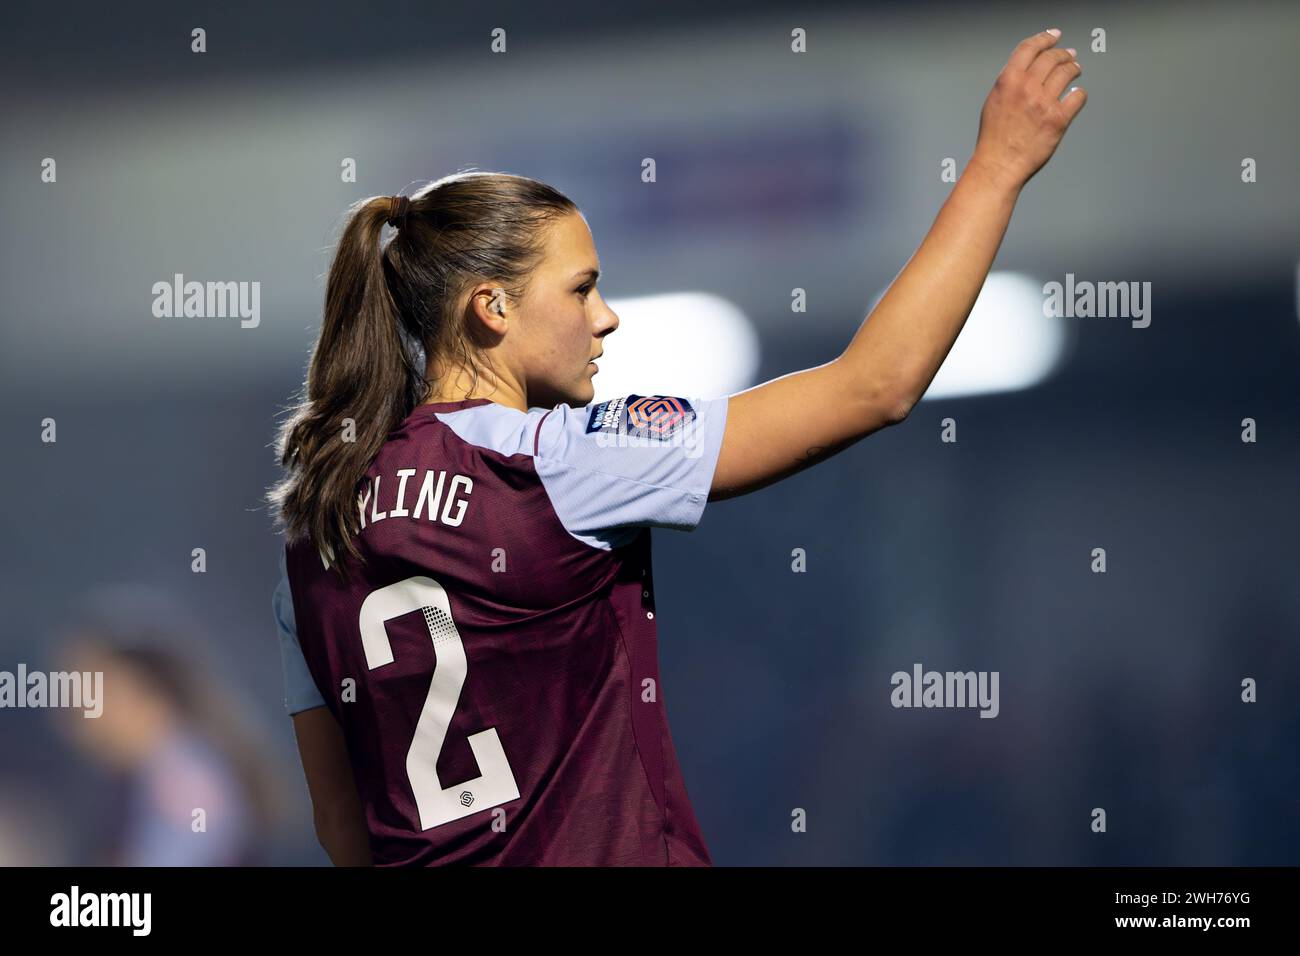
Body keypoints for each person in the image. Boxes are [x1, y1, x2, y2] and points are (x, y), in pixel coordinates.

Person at [268, 29, 1085, 866]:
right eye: (581, 288)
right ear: (492, 308)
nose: (605, 316)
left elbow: (345, 833)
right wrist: (996, 168)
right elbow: (875, 386)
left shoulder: (315, 529)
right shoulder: (561, 460)